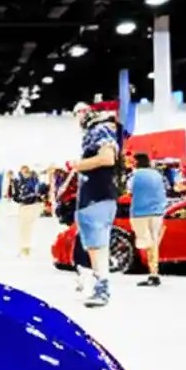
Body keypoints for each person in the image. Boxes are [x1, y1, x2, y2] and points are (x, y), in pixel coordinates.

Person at [72, 103, 120, 307]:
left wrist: (77, 165)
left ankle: (102, 288)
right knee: (98, 246)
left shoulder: (99, 130)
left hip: (96, 197)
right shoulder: (102, 130)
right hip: (99, 196)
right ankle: (100, 285)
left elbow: (107, 158)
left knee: (96, 247)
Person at [128, 153, 168, 286]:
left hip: (140, 212)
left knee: (144, 241)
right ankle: (153, 272)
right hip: (157, 212)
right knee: (153, 241)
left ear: (137, 162)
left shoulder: (135, 175)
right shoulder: (157, 174)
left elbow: (130, 190)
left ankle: (151, 269)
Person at [10, 165, 42, 258]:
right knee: (23, 228)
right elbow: (15, 195)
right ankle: (24, 248)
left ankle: (26, 248)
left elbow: (36, 193)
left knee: (27, 228)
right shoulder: (19, 181)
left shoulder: (33, 180)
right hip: (24, 206)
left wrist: (23, 197)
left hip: (31, 206)